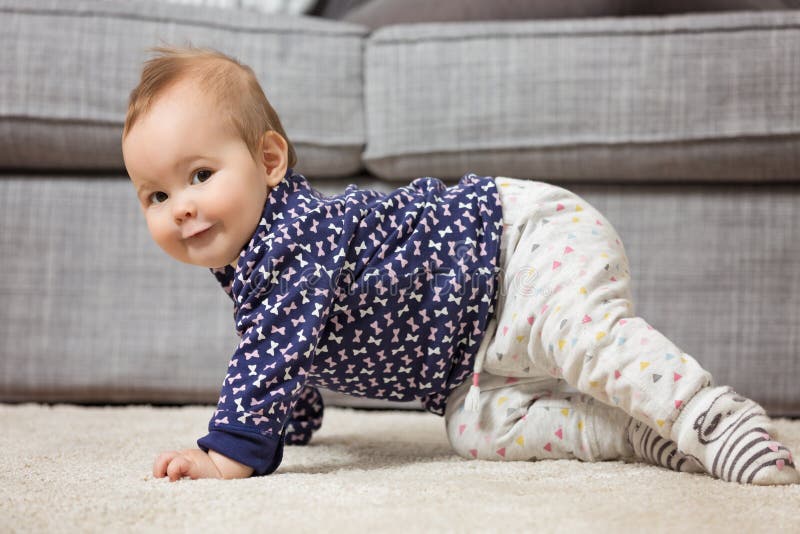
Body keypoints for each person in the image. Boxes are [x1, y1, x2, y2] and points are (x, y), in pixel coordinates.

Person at [121, 46, 798, 485]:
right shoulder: (258, 269)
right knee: (478, 430)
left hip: (513, 245)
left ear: (269, 163)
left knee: (579, 335)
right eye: (156, 194)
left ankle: (709, 416)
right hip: (468, 354)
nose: (180, 208)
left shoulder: (292, 238)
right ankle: (640, 433)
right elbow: (294, 351)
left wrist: (229, 452)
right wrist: (291, 425)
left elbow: (272, 352)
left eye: (200, 174)